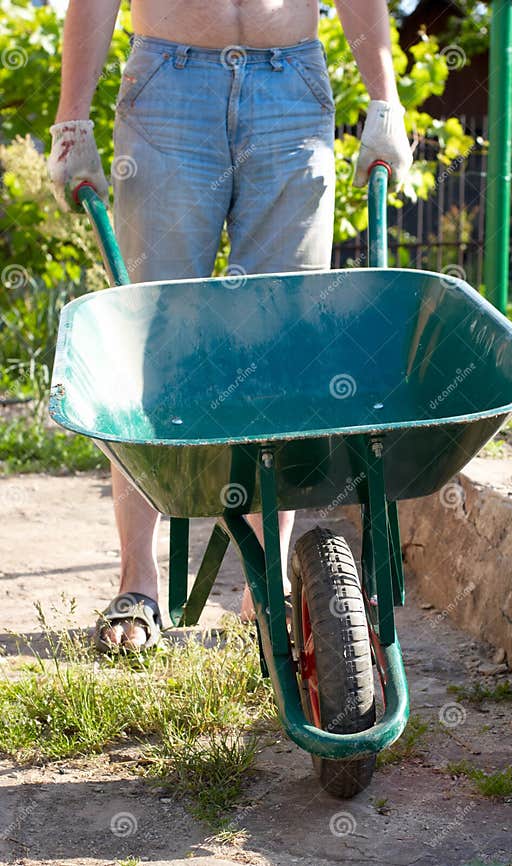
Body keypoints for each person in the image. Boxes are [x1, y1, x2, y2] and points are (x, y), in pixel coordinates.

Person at [48, 0, 413, 651]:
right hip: (169, 87)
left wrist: (384, 102)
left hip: (291, 89)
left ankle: (264, 586)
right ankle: (139, 580)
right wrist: (71, 117)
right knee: (151, 337)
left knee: (283, 344)